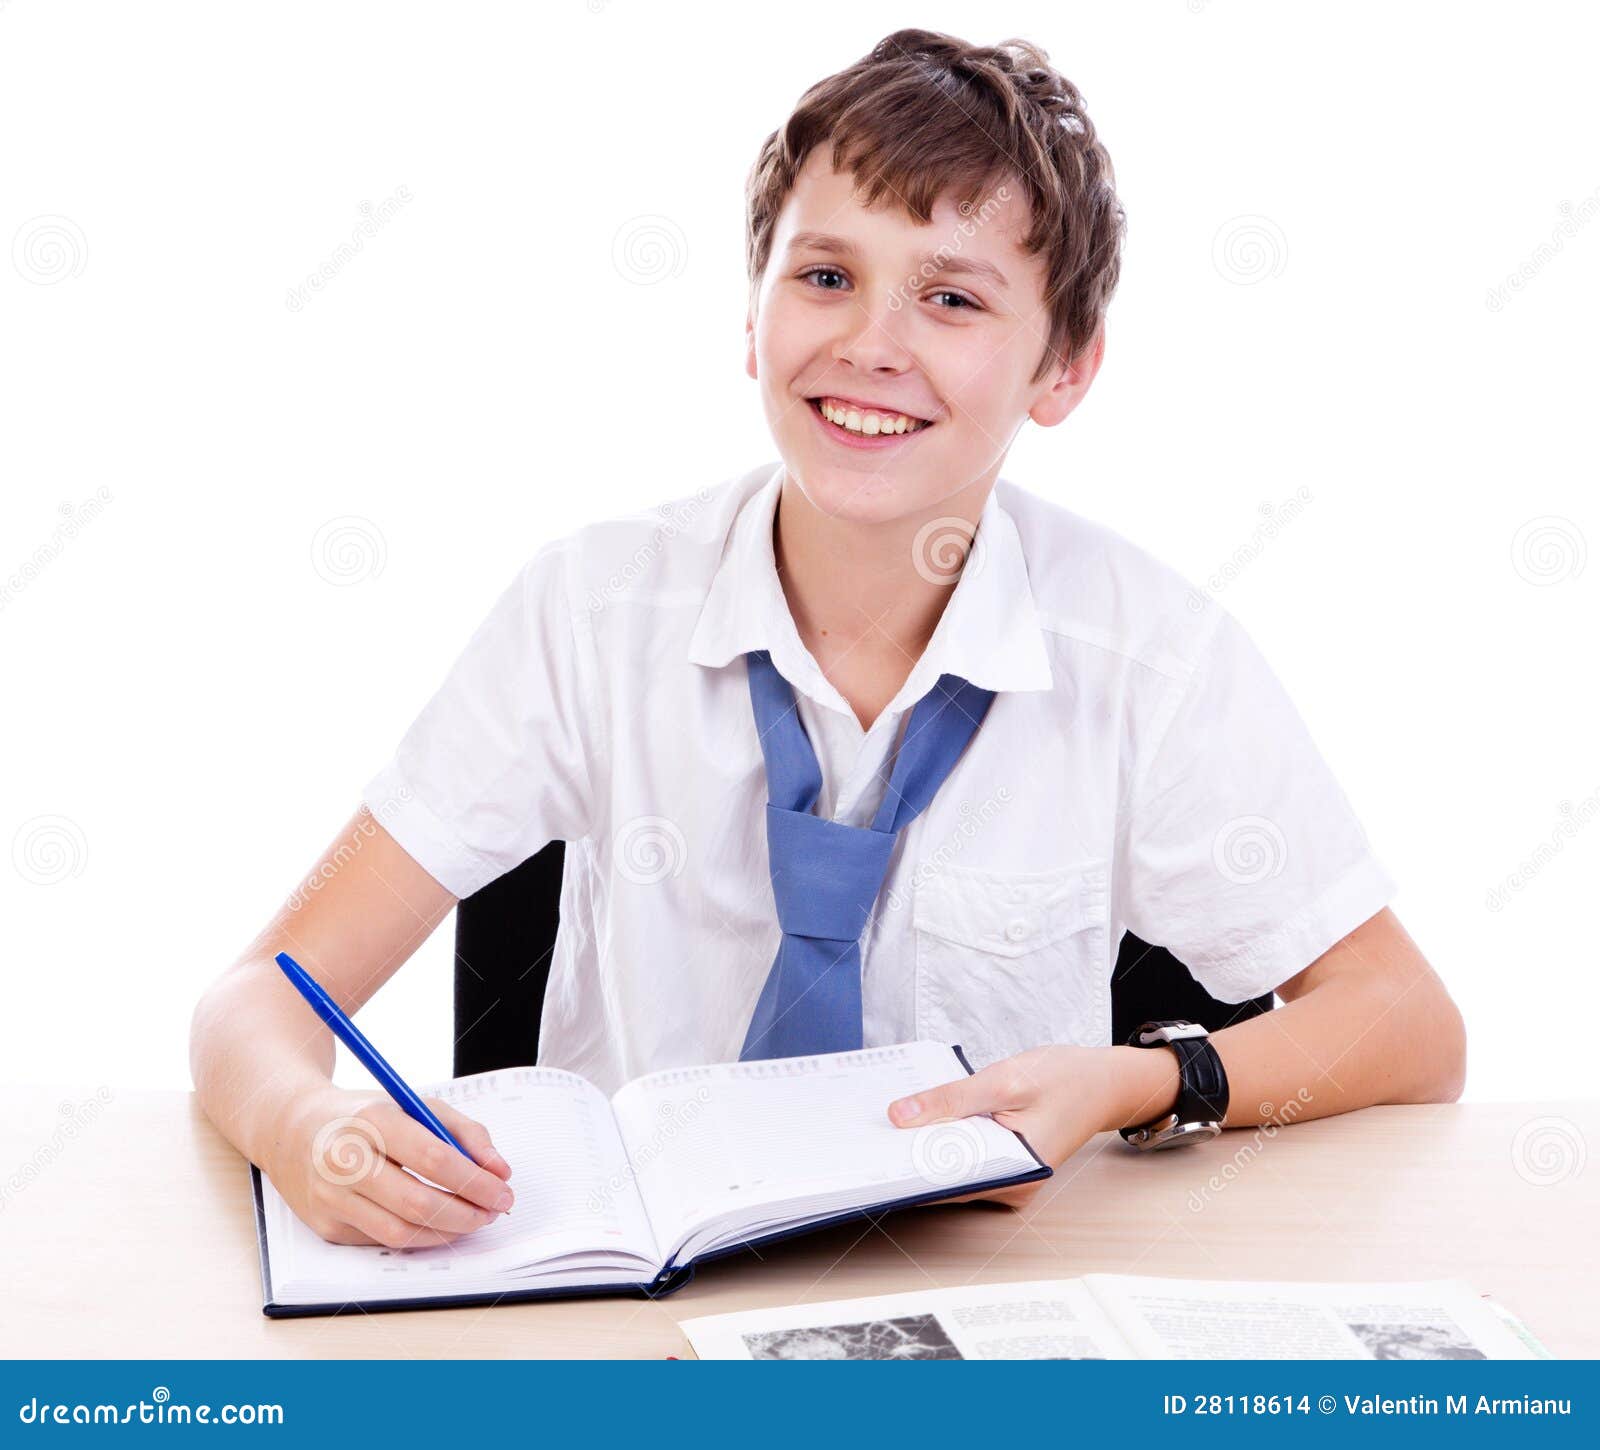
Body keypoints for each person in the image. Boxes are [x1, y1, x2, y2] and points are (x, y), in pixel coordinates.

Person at [190, 28, 1465, 1248]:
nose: (871, 344)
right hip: (631, 1330)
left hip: (982, 1310)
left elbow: (1407, 1021)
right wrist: (309, 1127)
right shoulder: (588, 611)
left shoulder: (1153, 661)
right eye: (824, 276)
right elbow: (257, 996)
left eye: (952, 298)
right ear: (752, 318)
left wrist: (1135, 1081)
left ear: (1064, 367)